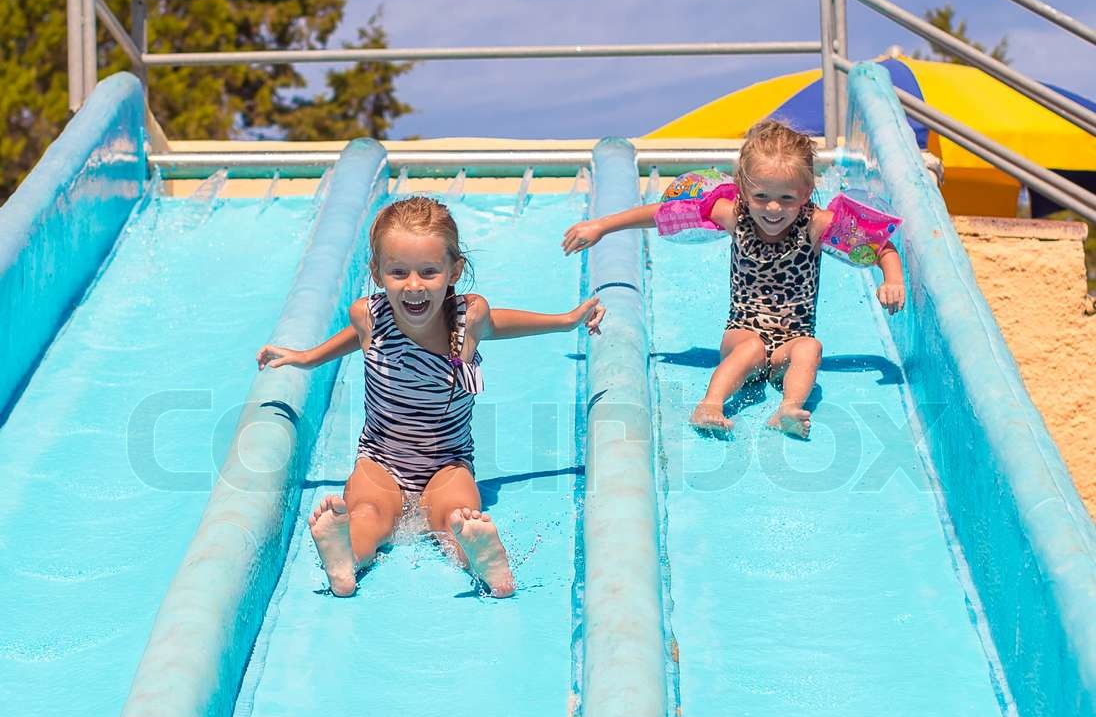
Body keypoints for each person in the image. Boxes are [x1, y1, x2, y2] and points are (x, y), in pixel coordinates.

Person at [258, 195, 604, 597]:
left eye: (429, 271)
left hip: (447, 462)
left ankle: (483, 561)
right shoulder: (367, 316)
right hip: (381, 461)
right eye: (398, 272)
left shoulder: (468, 318)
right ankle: (345, 557)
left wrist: (565, 322)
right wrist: (308, 357)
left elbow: (505, 323)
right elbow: (355, 338)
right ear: (377, 272)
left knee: (456, 516)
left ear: (454, 270)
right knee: (368, 511)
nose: (414, 286)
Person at [562, 119, 905, 438]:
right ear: (741, 188)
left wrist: (892, 279)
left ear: (806, 192)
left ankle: (788, 410)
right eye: (761, 197)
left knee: (810, 347)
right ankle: (709, 405)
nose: (773, 209)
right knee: (751, 347)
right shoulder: (732, 215)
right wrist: (601, 226)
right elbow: (661, 214)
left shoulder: (817, 224)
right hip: (743, 329)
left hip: (791, 339)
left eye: (786, 198)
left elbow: (880, 248)